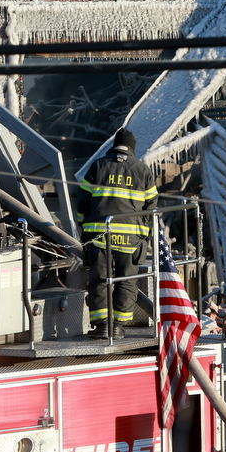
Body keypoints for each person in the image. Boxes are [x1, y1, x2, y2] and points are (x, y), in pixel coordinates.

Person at [77, 128, 157, 339]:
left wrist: (83, 226)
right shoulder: (143, 169)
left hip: (100, 235)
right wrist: (143, 231)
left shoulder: (98, 165)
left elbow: (82, 200)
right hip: (131, 238)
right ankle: (119, 327)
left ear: (115, 144)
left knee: (100, 279)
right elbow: (151, 206)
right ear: (132, 147)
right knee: (127, 282)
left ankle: (103, 327)